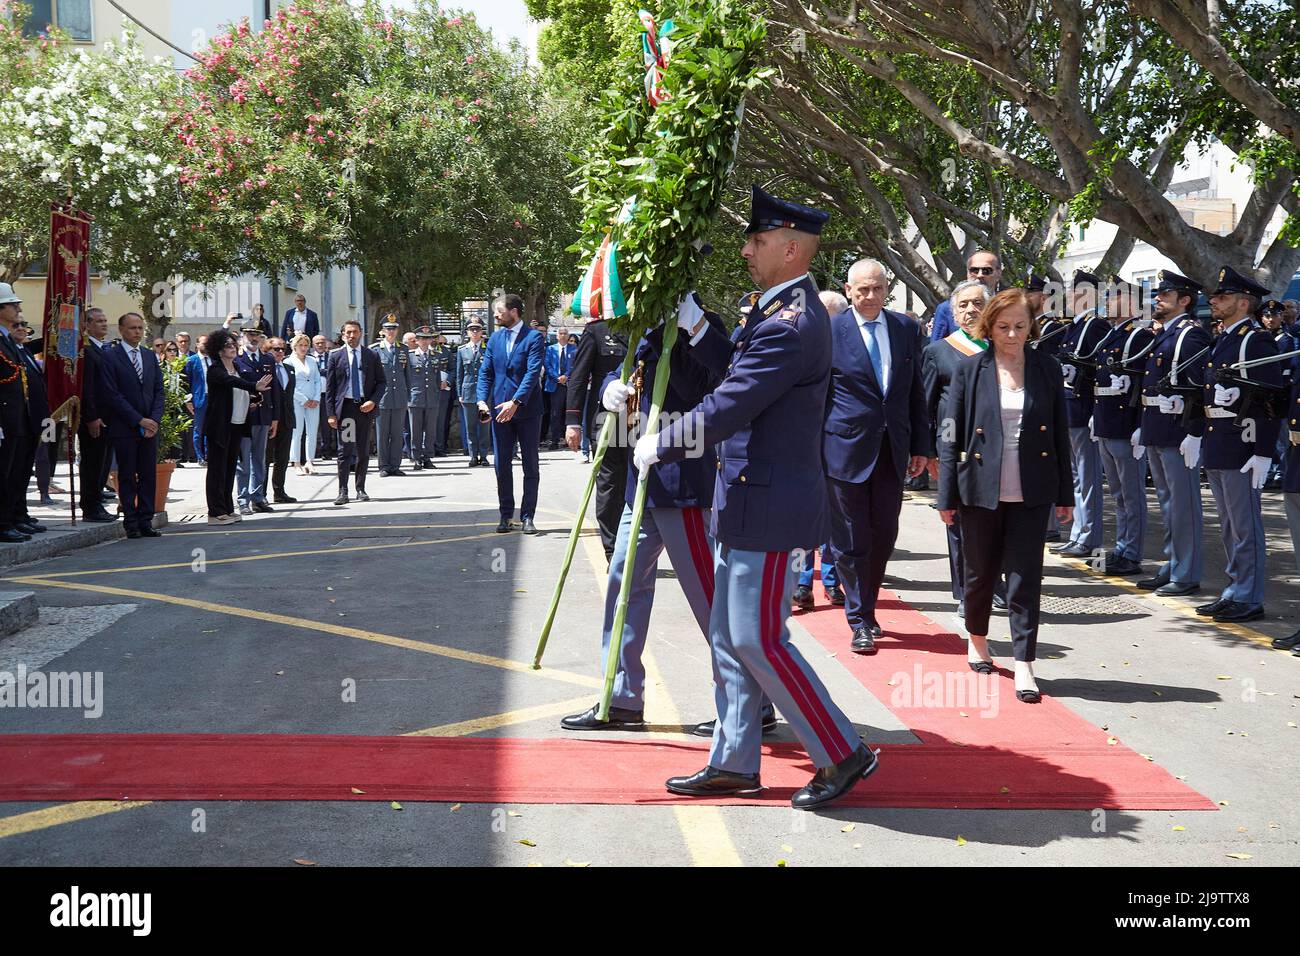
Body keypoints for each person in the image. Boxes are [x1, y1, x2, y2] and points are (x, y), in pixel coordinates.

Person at [635, 185, 876, 810]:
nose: (747, 248)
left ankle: (840, 750)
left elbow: (728, 404)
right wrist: (693, 329)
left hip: (764, 504)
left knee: (756, 636)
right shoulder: (774, 311)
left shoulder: (789, 323)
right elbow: (732, 378)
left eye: (758, 240)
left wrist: (661, 441)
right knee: (728, 635)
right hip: (746, 498)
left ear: (792, 249)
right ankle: (735, 759)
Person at [560, 295, 758, 733]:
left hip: (684, 481)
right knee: (623, 586)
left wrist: (682, 331)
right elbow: (632, 374)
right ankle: (622, 695)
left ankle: (749, 701)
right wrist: (613, 383)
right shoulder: (642, 329)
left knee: (709, 598)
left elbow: (706, 387)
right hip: (643, 480)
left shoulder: (704, 325)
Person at [937, 289, 1074, 703]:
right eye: (1003, 327)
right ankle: (977, 638)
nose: (1012, 335)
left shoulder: (1047, 368)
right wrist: (946, 495)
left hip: (1031, 487)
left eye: (1020, 326)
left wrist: (1065, 493)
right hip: (979, 487)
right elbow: (949, 434)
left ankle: (1024, 662)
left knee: (1025, 577)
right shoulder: (970, 370)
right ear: (989, 328)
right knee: (979, 573)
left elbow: (1061, 432)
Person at [824, 258, 932, 655]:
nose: (870, 296)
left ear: (887, 289)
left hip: (892, 450)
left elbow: (914, 391)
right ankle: (860, 616)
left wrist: (922, 445)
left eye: (878, 288)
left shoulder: (905, 328)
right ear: (849, 290)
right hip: (843, 450)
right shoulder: (831, 331)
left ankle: (866, 604)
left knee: (884, 535)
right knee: (851, 539)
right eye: (862, 289)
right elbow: (818, 395)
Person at [1194, 266, 1284, 624]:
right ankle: (1234, 589)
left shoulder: (1254, 340)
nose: (1213, 301)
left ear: (1243, 303)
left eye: (1222, 296)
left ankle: (1248, 595)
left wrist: (1263, 452)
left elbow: (1272, 401)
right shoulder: (1225, 339)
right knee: (1230, 526)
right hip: (1220, 443)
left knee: (1246, 527)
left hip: (1242, 447)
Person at [922, 279, 1007, 614]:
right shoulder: (938, 352)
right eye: (963, 305)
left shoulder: (1003, 349)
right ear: (953, 313)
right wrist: (929, 452)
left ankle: (994, 584)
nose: (971, 310)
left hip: (1000, 453)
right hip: (955, 451)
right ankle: (967, 592)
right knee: (958, 524)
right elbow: (926, 407)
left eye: (977, 303)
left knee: (997, 522)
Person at [1135, 270, 1211, 596]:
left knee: (1183, 506)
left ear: (1184, 300)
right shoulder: (1165, 334)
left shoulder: (1190, 335)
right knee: (1167, 504)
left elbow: (1199, 391)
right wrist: (1142, 425)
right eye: (1158, 294)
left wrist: (1195, 432)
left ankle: (1186, 572)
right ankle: (1172, 563)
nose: (1157, 299)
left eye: (1165, 295)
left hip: (1177, 432)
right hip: (1157, 427)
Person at [1090, 276, 1155, 575]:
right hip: (1106, 421)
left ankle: (1131, 553)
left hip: (1125, 425)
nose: (1107, 300)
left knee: (1131, 494)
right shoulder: (1114, 335)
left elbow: (1143, 383)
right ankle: (1121, 547)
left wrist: (1141, 424)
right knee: (1117, 493)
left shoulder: (1138, 335)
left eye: (1114, 295)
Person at [792, 288, 849, 611]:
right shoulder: (802, 348)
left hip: (837, 447)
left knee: (831, 520)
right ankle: (802, 583)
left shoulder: (848, 352)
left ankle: (831, 580)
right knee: (803, 520)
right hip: (804, 447)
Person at [478, 294, 545, 534]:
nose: (495, 315)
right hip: (499, 413)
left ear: (513, 312)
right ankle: (506, 515)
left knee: (530, 465)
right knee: (501, 465)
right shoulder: (495, 338)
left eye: (499, 310)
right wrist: (481, 401)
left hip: (527, 412)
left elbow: (532, 372)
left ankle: (528, 516)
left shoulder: (534, 337)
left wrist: (515, 402)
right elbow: (486, 372)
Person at [1053, 270, 1109, 558]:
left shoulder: (1095, 325)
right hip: (1068, 410)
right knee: (1076, 476)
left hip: (1082, 409)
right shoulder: (1073, 326)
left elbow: (1096, 371)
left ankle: (1088, 537)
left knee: (1088, 479)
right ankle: (1078, 533)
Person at [566, 310, 630, 558]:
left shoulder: (647, 326)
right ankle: (613, 551)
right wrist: (573, 421)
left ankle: (635, 545)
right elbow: (578, 378)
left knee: (637, 482)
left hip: (642, 418)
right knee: (611, 483)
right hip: (607, 417)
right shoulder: (597, 330)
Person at [97, 313, 165, 539]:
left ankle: (146, 520)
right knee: (127, 475)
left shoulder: (148, 356)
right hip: (125, 426)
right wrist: (138, 419)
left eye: (140, 328)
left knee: (148, 474)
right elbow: (111, 394)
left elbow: (158, 390)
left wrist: (153, 419)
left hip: (150, 427)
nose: (137, 332)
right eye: (132, 328)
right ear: (121, 329)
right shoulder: (111, 356)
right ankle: (131, 521)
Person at [203, 329, 271, 524]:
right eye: (226, 345)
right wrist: (252, 386)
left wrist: (255, 396)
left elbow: (241, 389)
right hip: (220, 426)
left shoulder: (237, 368)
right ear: (217, 350)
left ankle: (226, 507)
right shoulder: (216, 370)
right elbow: (231, 382)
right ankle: (215, 512)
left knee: (230, 467)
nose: (231, 347)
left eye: (233, 344)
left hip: (238, 424)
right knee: (217, 469)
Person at [324, 319, 384, 505]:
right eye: (348, 332)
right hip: (347, 410)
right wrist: (331, 414)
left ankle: (361, 488)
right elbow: (331, 388)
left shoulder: (371, 355)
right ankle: (343, 490)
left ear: (361, 333)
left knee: (363, 450)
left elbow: (382, 382)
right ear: (343, 335)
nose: (352, 335)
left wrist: (373, 401)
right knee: (345, 451)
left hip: (364, 410)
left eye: (355, 332)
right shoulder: (335, 356)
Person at [5, 320, 49, 531]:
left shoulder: (25, 352)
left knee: (24, 471)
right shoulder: (13, 352)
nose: (21, 328)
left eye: (24, 325)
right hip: (18, 421)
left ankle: (21, 514)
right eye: (16, 326)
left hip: (32, 420)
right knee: (15, 472)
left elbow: (45, 343)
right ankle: (12, 517)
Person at [0, 283, 35, 542]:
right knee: (4, 473)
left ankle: (10, 518)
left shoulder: (5, 338)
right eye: (13, 305)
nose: (18, 309)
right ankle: (3, 523)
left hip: (15, 417)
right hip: (4, 418)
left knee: (12, 472)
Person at [78, 307, 116, 523]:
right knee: (92, 463)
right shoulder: (86, 350)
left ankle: (97, 501)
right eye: (98, 321)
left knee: (103, 463)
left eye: (105, 320)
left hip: (109, 417)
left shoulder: (105, 349)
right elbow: (87, 388)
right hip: (95, 417)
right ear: (87, 324)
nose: (103, 324)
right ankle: (90, 507)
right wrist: (91, 416)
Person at [234, 326, 277, 515]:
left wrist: (275, 418)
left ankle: (258, 497)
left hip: (263, 416)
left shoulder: (267, 359)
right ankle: (243, 499)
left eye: (257, 335)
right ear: (243, 337)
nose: (253, 338)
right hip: (245, 415)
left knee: (260, 459)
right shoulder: (237, 359)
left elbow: (274, 389)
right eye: (250, 335)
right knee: (243, 460)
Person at [929, 249, 1003, 342]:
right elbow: (935, 351)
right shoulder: (946, 309)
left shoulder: (1006, 307)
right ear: (968, 273)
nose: (980, 275)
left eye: (986, 270)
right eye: (974, 270)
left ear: (998, 274)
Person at [373, 316, 410, 477]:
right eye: (388, 328)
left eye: (394, 328)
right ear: (382, 331)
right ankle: (384, 466)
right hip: (382, 398)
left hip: (399, 397)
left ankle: (395, 465)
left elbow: (407, 375)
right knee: (382, 434)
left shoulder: (403, 349)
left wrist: (408, 396)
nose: (391, 331)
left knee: (396, 433)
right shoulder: (375, 350)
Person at [408, 326, 449, 470]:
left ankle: (427, 457)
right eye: (422, 339)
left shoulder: (435, 356)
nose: (425, 341)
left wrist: (440, 388)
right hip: (416, 397)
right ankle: (416, 457)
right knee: (416, 430)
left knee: (430, 430)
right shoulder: (410, 356)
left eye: (428, 338)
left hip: (432, 397)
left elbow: (438, 377)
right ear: (416, 341)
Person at [265, 337, 298, 504]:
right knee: (265, 458)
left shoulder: (289, 368)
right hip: (269, 420)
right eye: (275, 349)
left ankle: (279, 491)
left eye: (282, 349)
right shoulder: (264, 369)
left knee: (282, 458)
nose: (279, 352)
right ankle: (260, 495)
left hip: (287, 418)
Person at [456, 320, 491, 466]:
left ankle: (483, 455)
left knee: (484, 426)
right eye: (472, 329)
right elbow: (459, 374)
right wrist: (459, 393)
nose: (475, 332)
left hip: (484, 394)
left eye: (477, 329)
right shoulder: (462, 350)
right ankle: (473, 455)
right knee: (470, 427)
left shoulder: (488, 348)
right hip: (468, 393)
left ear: (482, 332)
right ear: (467, 332)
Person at [286, 334, 322, 475]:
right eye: (300, 345)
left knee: (312, 432)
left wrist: (316, 398)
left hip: (313, 400)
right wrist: (303, 399)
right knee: (297, 431)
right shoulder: (289, 361)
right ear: (294, 346)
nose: (303, 348)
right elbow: (289, 384)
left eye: (306, 345)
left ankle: (310, 461)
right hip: (297, 400)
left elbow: (317, 380)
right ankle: (296, 463)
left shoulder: (312, 361)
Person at [544, 328, 576, 450]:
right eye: (560, 334)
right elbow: (547, 365)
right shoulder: (550, 349)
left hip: (569, 385)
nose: (563, 336)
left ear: (568, 336)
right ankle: (554, 440)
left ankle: (569, 440)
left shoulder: (574, 349)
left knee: (569, 412)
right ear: (557, 336)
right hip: (555, 385)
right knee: (555, 413)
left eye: (565, 334)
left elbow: (575, 365)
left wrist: (566, 376)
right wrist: (557, 378)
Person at [312, 334, 336, 461]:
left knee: (326, 424)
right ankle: (312, 451)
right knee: (312, 424)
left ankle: (326, 451)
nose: (320, 345)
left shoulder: (331, 357)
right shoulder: (309, 358)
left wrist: (323, 372)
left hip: (327, 395)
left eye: (322, 342)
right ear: (313, 345)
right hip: (313, 395)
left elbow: (334, 373)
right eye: (317, 343)